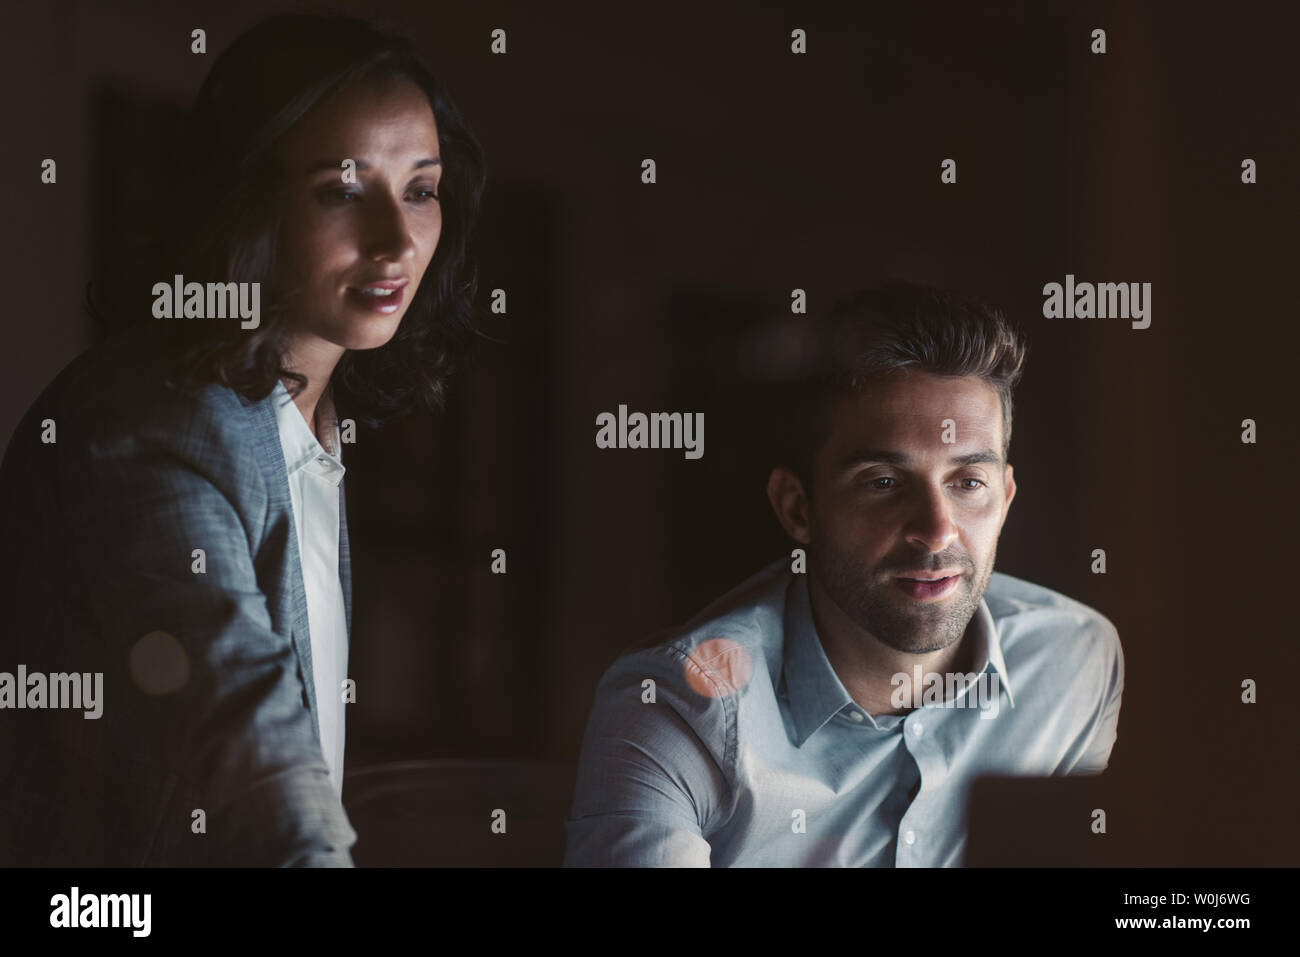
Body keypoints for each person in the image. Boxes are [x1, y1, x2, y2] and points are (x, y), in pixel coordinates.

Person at [0, 13, 485, 865]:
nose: (397, 240)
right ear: (248, 198)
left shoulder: (311, 417)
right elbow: (247, 733)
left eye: (420, 188)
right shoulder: (154, 420)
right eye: (343, 190)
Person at [564, 280, 1124, 866]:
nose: (937, 530)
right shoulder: (680, 709)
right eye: (883, 483)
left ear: (1005, 499)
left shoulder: (1074, 662)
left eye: (968, 483)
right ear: (797, 508)